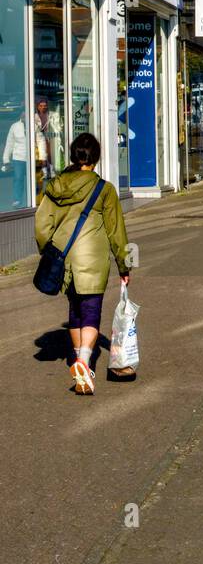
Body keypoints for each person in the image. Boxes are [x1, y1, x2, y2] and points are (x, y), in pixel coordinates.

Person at [35, 132, 132, 395]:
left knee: (75, 310)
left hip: (63, 257)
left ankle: (80, 368)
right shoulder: (104, 189)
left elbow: (42, 225)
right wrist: (125, 265)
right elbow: (116, 231)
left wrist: (48, 250)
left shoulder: (56, 186)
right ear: (96, 158)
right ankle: (84, 362)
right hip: (93, 258)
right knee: (90, 311)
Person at [2, 107, 28, 208]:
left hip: (32, 157)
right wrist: (6, 160)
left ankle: (35, 198)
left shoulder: (34, 125)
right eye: (23, 113)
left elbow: (40, 141)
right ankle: (17, 199)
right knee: (18, 178)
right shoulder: (15, 126)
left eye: (26, 113)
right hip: (18, 158)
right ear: (20, 115)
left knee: (34, 179)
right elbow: (9, 144)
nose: (24, 115)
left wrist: (42, 157)